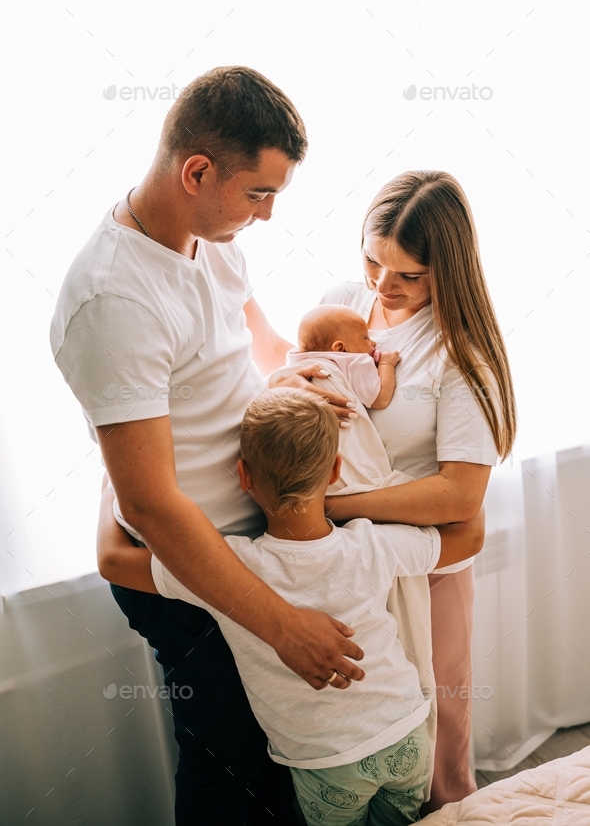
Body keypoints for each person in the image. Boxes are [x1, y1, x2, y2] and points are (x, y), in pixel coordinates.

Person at [50, 66, 365, 825]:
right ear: (196, 172)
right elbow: (151, 507)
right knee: (229, 766)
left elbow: (258, 352)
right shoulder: (114, 298)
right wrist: (282, 624)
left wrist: (304, 379)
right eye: (258, 194)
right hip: (192, 567)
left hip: (255, 538)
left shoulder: (212, 239)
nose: (267, 215)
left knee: (286, 754)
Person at [97, 388, 485, 826]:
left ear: (243, 476)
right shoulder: (372, 543)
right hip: (406, 733)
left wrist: (112, 489)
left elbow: (113, 562)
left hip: (328, 762)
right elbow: (469, 536)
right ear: (335, 470)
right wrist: (466, 489)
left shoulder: (225, 570)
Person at [320, 171, 517, 812]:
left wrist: (337, 507)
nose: (383, 285)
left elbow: (459, 496)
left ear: (447, 270)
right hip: (344, 565)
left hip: (428, 572)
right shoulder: (344, 305)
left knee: (435, 735)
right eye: (372, 261)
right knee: (358, 735)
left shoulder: (461, 352)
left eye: (408, 274)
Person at [279, 304, 411, 495]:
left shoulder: (295, 360)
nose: (373, 343)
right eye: (365, 337)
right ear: (340, 348)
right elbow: (380, 398)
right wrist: (386, 364)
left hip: (298, 447)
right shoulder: (354, 361)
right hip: (338, 434)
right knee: (361, 472)